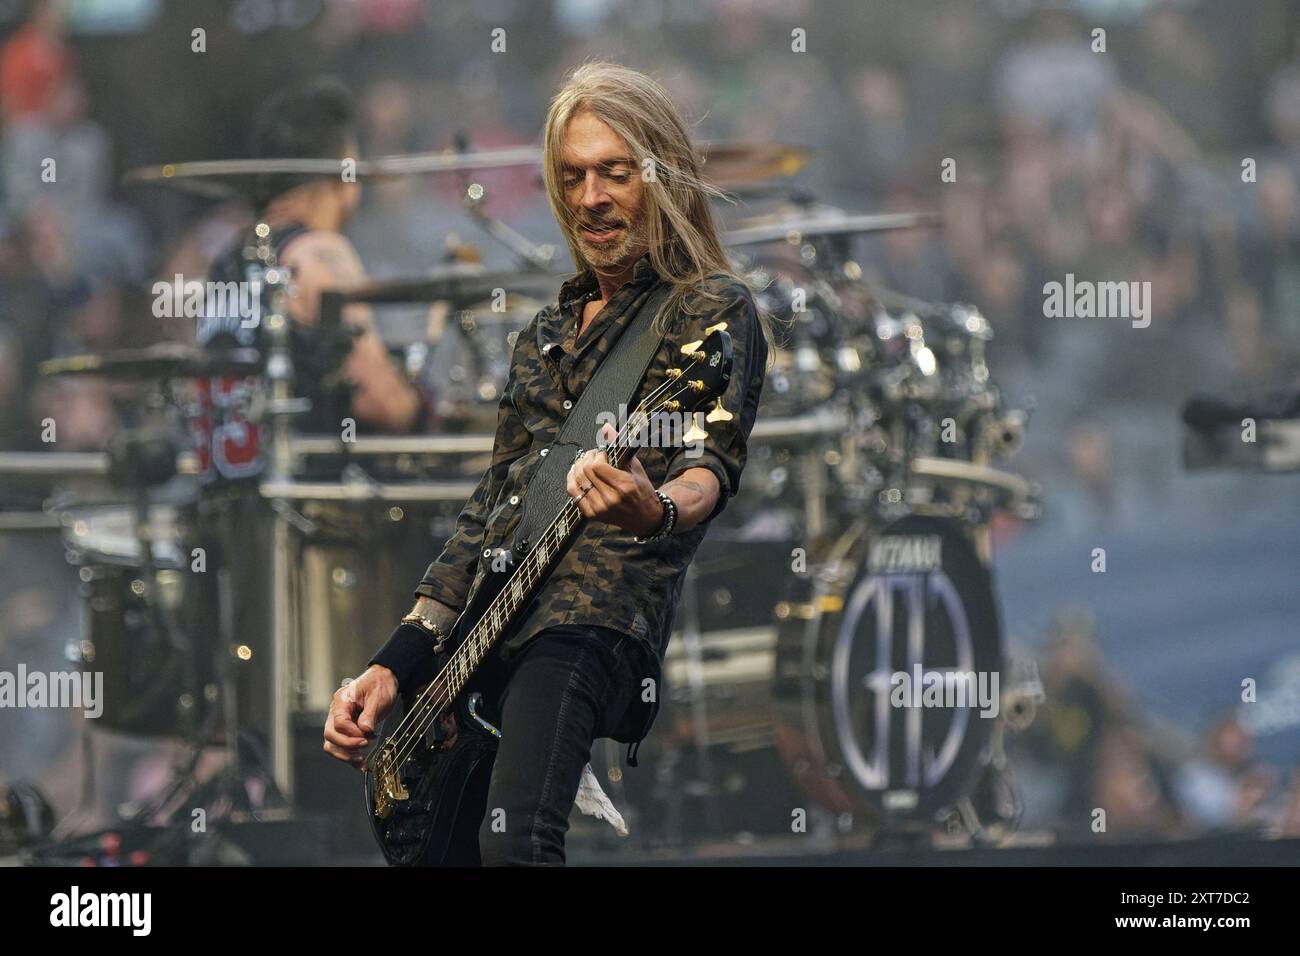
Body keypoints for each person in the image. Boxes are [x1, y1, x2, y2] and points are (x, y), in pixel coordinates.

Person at [323, 62, 771, 865]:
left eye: (615, 172)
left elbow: (708, 462)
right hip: (492, 619)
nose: (592, 196)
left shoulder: (710, 310)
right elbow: (484, 517)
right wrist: (392, 666)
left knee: (518, 844)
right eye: (573, 176)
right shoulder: (544, 336)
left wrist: (655, 509)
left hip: (590, 617)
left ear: (659, 176)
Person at [198, 77, 421, 479]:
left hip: (231, 505)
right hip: (306, 510)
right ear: (343, 173)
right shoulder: (319, 253)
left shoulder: (225, 263)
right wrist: (421, 407)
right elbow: (381, 403)